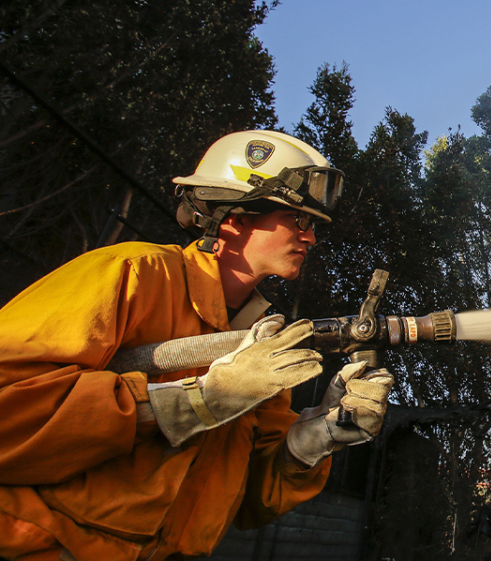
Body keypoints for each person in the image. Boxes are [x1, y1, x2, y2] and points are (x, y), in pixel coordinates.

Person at [0, 130, 393, 561]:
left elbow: (250, 503)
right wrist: (203, 400)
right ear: (236, 218)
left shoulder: (262, 345)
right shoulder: (132, 274)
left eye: (314, 225)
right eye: (299, 220)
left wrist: (313, 440)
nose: (311, 238)